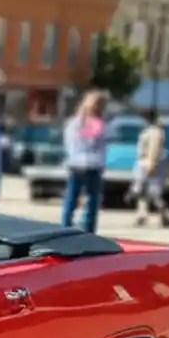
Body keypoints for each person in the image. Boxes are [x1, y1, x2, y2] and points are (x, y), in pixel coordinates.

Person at [60, 91, 110, 233]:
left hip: (77, 164)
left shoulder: (74, 123)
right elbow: (102, 146)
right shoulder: (99, 124)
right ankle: (87, 231)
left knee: (72, 199)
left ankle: (66, 228)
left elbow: (69, 144)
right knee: (91, 203)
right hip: (92, 165)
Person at [133, 111, 169, 227]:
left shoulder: (156, 132)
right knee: (142, 192)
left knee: (154, 193)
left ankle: (165, 215)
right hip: (144, 162)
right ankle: (141, 215)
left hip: (150, 163)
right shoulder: (149, 130)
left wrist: (152, 163)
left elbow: (154, 148)